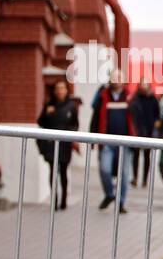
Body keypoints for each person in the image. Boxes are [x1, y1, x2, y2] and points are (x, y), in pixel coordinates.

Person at [88, 76, 136, 213]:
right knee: (105, 169)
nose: (117, 80)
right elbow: (95, 117)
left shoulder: (130, 97)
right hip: (106, 142)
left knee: (124, 174)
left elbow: (137, 118)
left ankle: (121, 202)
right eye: (115, 77)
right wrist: (92, 139)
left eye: (120, 77)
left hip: (126, 142)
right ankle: (109, 194)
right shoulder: (102, 95)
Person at [36, 79, 81, 210]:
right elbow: (40, 121)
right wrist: (46, 113)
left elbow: (75, 124)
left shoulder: (71, 106)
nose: (60, 91)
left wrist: (71, 136)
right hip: (51, 144)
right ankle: (54, 199)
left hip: (65, 144)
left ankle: (64, 200)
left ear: (66, 90)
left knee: (63, 171)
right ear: (54, 91)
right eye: (58, 88)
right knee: (52, 171)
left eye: (62, 88)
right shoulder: (49, 105)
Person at [129, 81, 160, 187]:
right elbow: (131, 112)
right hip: (137, 131)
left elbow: (157, 114)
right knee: (136, 155)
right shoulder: (135, 98)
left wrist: (154, 126)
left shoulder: (153, 99)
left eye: (146, 84)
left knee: (147, 156)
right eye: (142, 84)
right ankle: (135, 177)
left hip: (149, 131)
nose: (144, 86)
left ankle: (145, 180)